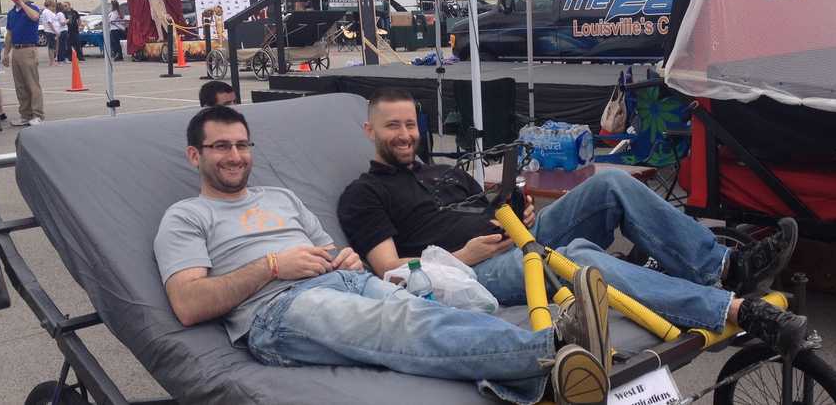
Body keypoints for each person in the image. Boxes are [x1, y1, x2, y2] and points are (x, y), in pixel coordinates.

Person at [155, 106, 612, 405]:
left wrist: (346, 259)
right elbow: (189, 303)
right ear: (195, 156)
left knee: (426, 309)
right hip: (276, 312)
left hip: (340, 281)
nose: (234, 156)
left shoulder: (280, 197)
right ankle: (552, 349)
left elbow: (334, 251)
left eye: (241, 145)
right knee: (397, 326)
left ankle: (550, 363)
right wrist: (272, 266)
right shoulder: (186, 216)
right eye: (221, 147)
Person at [339, 88, 810, 360]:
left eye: (409, 125)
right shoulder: (364, 194)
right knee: (577, 256)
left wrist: (517, 213)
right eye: (391, 127)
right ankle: (736, 310)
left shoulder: (444, 171)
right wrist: (465, 257)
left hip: (515, 241)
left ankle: (726, 265)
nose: (404, 135)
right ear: (369, 132)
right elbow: (388, 269)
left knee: (611, 185)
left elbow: (485, 211)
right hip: (470, 273)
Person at [2, 0, 44, 126]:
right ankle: (25, 114)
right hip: (16, 50)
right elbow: (9, 34)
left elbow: (35, 17)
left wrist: (22, 3)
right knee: (20, 85)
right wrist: (6, 53)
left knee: (32, 84)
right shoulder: (12, 13)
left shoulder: (31, 7)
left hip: (28, 49)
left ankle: (37, 114)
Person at [40, 0, 59, 66]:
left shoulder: (48, 12)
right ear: (50, 5)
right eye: (53, 6)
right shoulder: (47, 12)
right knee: (51, 47)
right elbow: (49, 22)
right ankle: (52, 61)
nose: (54, 8)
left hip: (50, 31)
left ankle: (52, 61)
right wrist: (55, 31)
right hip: (50, 31)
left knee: (52, 47)